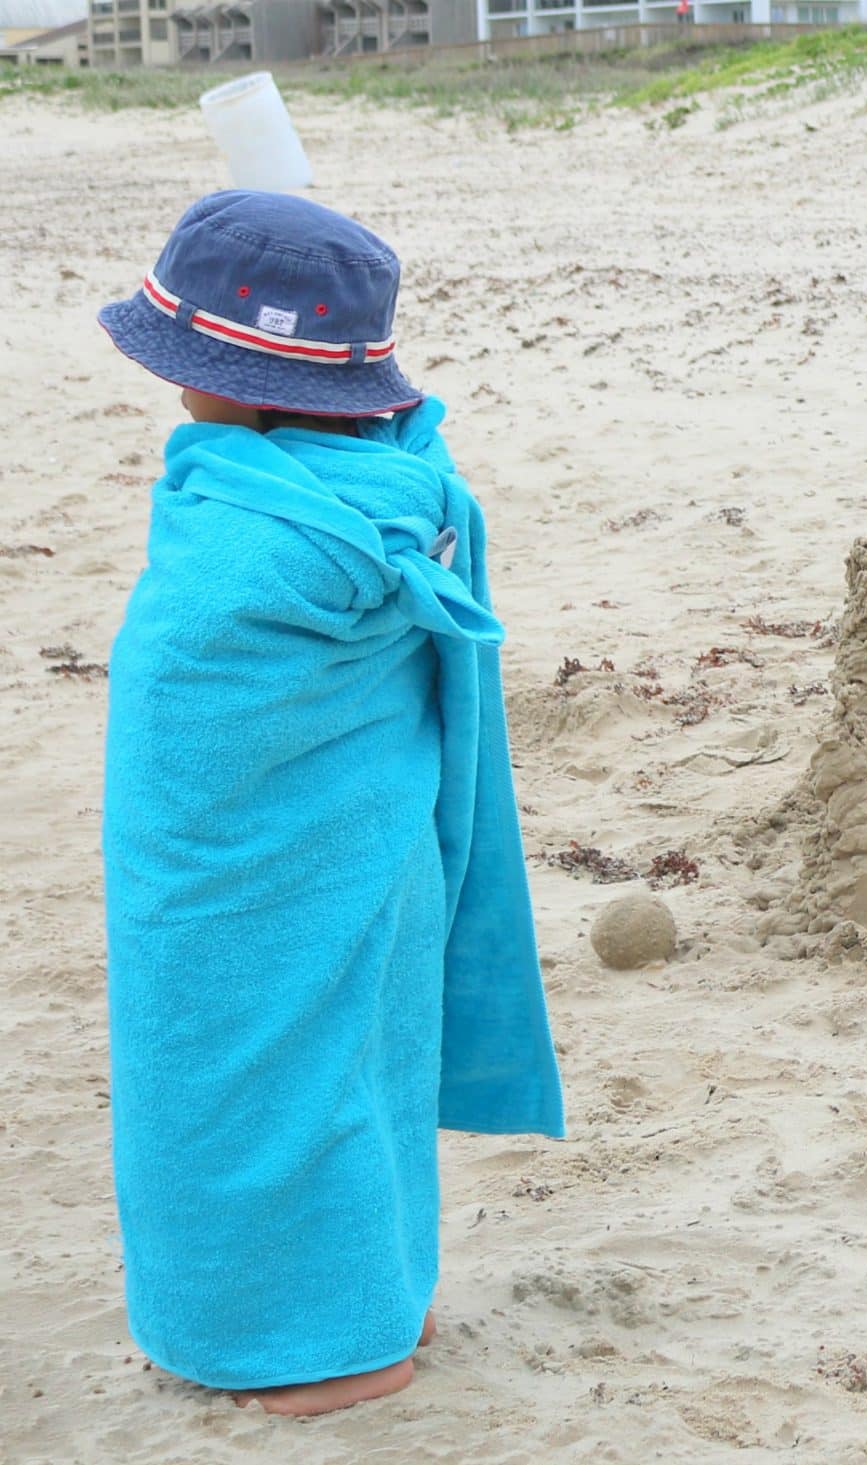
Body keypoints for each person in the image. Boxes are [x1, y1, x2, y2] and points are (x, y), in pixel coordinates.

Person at [96, 191, 565, 1417]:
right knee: (358, 1058)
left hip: (232, 882)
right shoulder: (405, 487)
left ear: (236, 383)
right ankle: (374, 1296)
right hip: (373, 848)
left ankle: (315, 1347)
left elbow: (184, 700)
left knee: (231, 1070)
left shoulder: (250, 539)